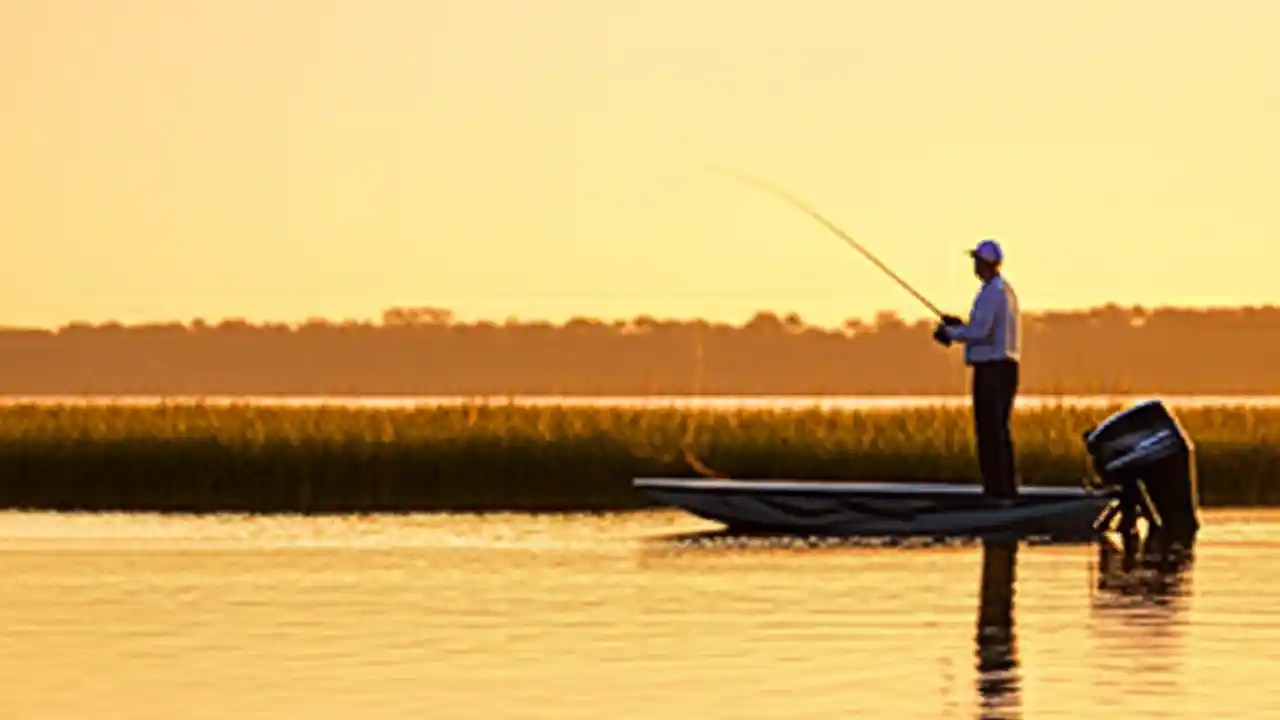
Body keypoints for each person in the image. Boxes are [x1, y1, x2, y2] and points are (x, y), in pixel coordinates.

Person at [933, 239, 1021, 499]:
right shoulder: (1003, 290)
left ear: (986, 263)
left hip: (993, 371)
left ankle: (998, 491)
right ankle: (1001, 488)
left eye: (977, 261)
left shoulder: (993, 292)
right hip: (1002, 368)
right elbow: (981, 328)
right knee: (997, 430)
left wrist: (950, 333)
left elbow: (981, 331)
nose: (974, 265)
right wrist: (959, 327)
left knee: (991, 431)